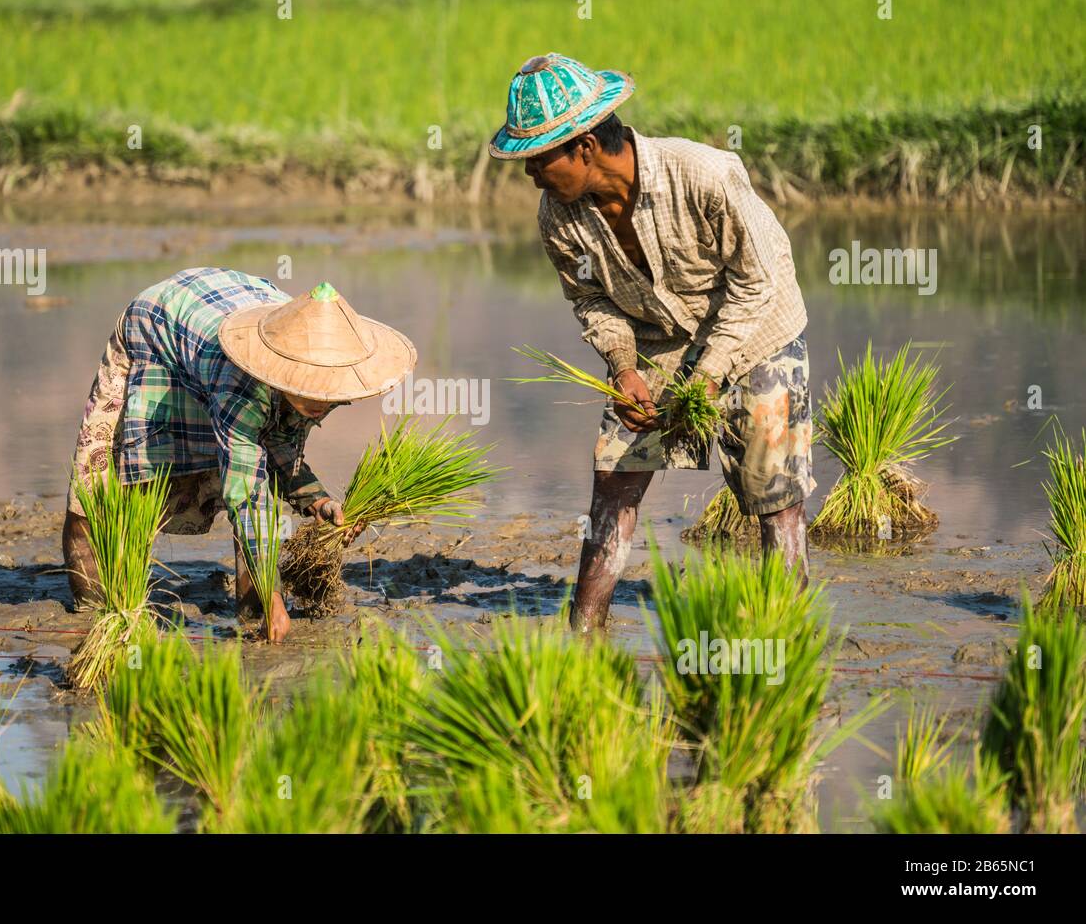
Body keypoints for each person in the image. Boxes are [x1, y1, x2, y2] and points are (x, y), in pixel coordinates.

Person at [489, 53, 815, 633]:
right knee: (614, 477)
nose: (530, 174)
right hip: (656, 338)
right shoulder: (558, 216)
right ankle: (584, 629)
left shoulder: (703, 176)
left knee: (773, 487)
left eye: (538, 160)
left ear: (585, 147)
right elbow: (590, 299)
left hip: (756, 327)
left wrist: (710, 373)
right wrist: (621, 367)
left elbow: (757, 280)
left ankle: (784, 629)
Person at [62, 268, 416, 642]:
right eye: (312, 389)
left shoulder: (316, 363)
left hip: (224, 313)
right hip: (155, 326)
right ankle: (95, 612)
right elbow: (247, 492)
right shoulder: (241, 381)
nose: (321, 401)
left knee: (251, 482)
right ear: (286, 373)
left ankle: (253, 613)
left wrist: (316, 498)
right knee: (98, 482)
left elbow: (276, 442)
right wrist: (274, 593)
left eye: (329, 391)